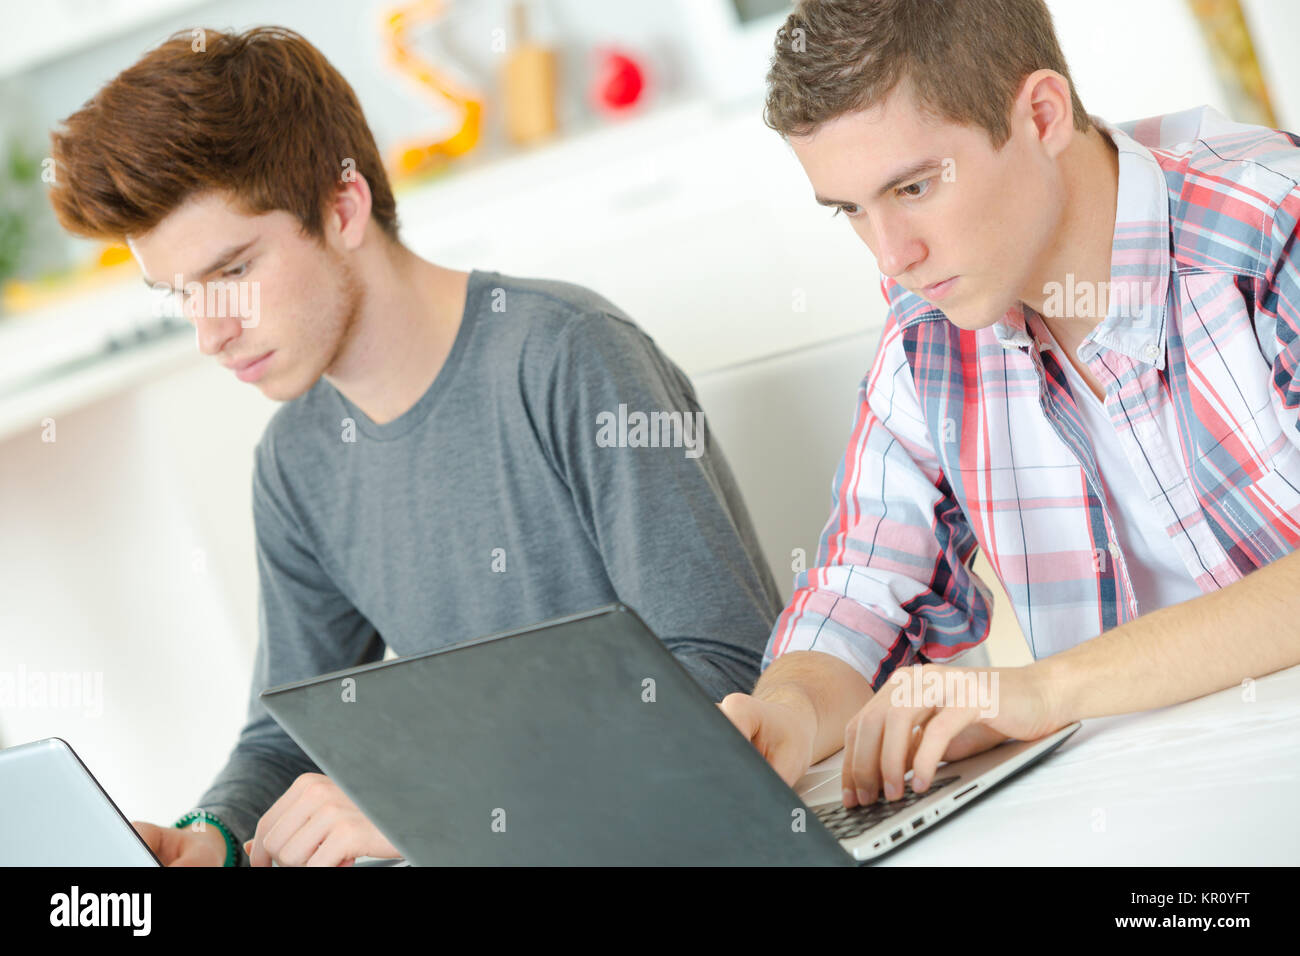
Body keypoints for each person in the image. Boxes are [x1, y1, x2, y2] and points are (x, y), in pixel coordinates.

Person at [48, 26, 781, 866]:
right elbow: (286, 738)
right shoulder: (297, 465)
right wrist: (208, 835)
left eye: (232, 272)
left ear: (344, 206)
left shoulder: (568, 353)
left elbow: (729, 672)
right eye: (179, 292)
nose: (209, 333)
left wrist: (443, 804)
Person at [721, 0, 1300, 812]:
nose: (892, 256)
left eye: (914, 186)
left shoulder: (1271, 221)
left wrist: (1045, 690)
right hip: (1171, 810)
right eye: (850, 210)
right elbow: (862, 590)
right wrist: (787, 712)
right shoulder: (928, 330)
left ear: (1040, 114)